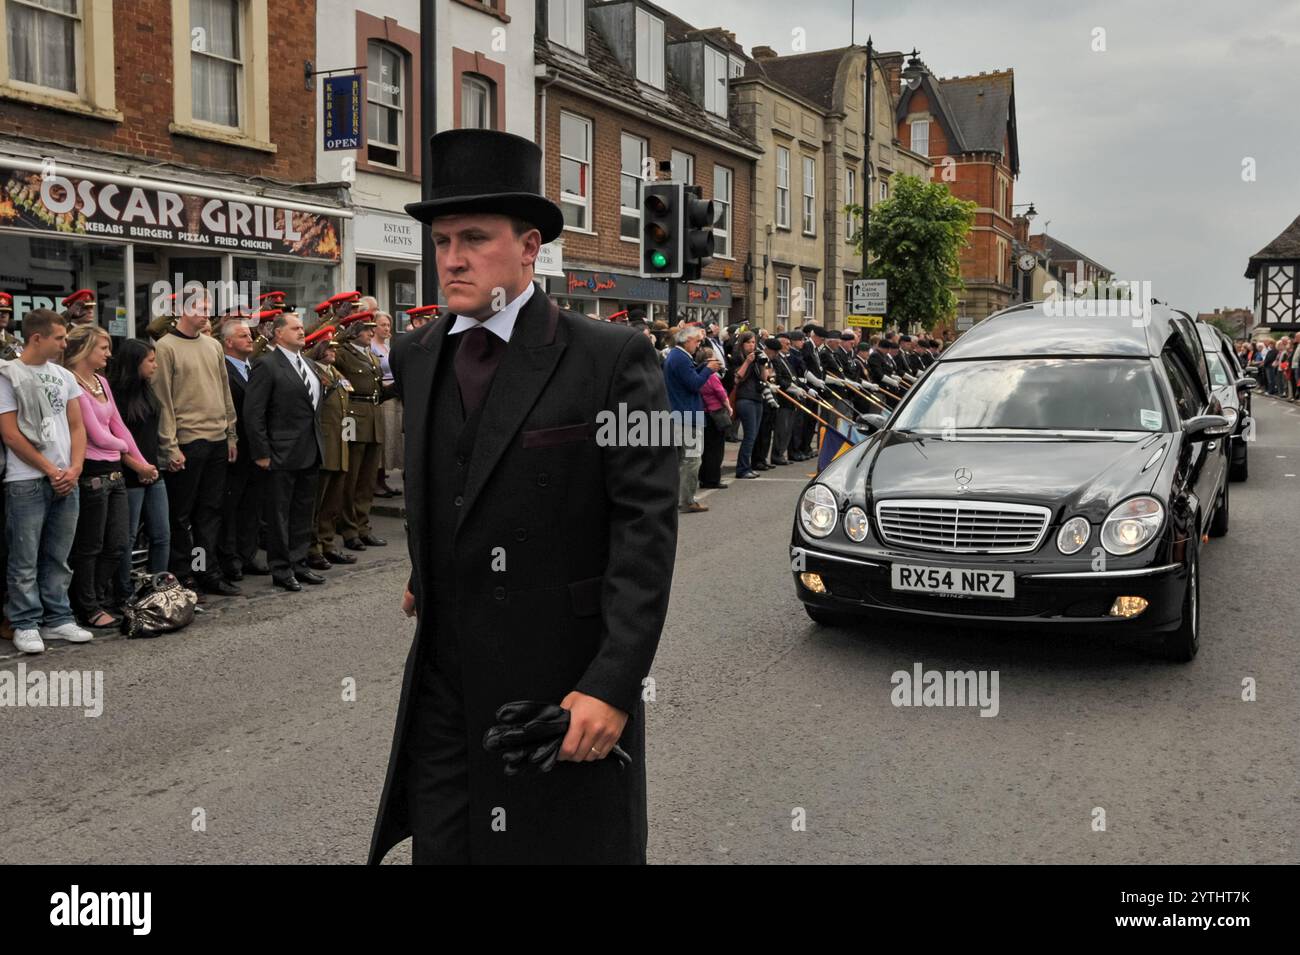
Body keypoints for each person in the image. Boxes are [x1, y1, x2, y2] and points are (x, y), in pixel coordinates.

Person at [369, 128, 677, 866]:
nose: (452, 258)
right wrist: (430, 565)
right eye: (442, 241)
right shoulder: (416, 354)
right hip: (446, 688)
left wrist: (613, 683)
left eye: (474, 238)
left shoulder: (616, 356)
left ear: (530, 246)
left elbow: (648, 526)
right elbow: (452, 482)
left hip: (559, 689)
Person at [0, 309, 91, 653]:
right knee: (24, 556)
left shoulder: (63, 376)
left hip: (67, 477)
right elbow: (10, 434)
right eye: (60, 337)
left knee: (58, 555)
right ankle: (24, 622)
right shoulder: (8, 375)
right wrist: (50, 469)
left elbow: (77, 426)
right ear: (37, 338)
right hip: (26, 479)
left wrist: (75, 467)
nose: (66, 343)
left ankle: (58, 618)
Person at [63, 324, 154, 628]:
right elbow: (97, 435)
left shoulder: (101, 381)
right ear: (86, 349)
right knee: (90, 544)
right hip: (91, 472)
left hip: (115, 472)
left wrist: (140, 462)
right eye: (103, 348)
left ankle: (97, 597)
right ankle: (86, 605)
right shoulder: (72, 383)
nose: (109, 353)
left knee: (116, 544)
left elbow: (119, 425)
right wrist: (123, 449)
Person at [152, 289, 241, 596]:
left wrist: (231, 433)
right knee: (181, 514)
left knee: (210, 511)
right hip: (187, 442)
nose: (205, 311)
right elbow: (162, 399)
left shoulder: (213, 345)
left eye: (207, 306)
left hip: (217, 439)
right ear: (179, 309)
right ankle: (183, 572)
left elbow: (224, 391)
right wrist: (170, 445)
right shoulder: (165, 347)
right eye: (199, 306)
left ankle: (206, 571)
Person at [243, 313, 325, 592]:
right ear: (278, 334)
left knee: (303, 511)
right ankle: (281, 568)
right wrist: (262, 452)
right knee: (279, 515)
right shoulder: (266, 365)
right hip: (280, 453)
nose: (302, 332)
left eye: (302, 327)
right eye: (296, 328)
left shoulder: (310, 364)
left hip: (310, 450)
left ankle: (299, 563)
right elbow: (254, 413)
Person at [106, 338, 171, 602]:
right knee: (127, 538)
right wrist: (137, 466)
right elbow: (113, 439)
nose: (155, 366)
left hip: (154, 472)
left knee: (161, 534)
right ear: (135, 363)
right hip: (130, 474)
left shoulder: (148, 389)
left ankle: (158, 589)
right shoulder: (115, 393)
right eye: (150, 360)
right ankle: (123, 593)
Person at [332, 312, 391, 550]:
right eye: (366, 329)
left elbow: (377, 389)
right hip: (353, 419)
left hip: (373, 416)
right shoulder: (343, 354)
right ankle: (348, 528)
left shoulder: (370, 355)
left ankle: (363, 525)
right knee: (351, 478)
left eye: (371, 328)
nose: (371, 333)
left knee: (366, 480)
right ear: (354, 331)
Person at [218, 316, 269, 580]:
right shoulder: (223, 369)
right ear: (228, 342)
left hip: (257, 447)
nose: (250, 338)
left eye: (250, 335)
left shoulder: (255, 367)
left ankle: (248, 554)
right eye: (243, 336)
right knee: (231, 504)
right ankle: (230, 557)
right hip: (235, 446)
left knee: (254, 503)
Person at [302, 333, 355, 570]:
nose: (334, 352)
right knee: (317, 501)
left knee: (332, 501)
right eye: (329, 348)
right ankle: (313, 549)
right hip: (323, 444)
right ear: (316, 348)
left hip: (340, 444)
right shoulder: (311, 371)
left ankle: (328, 544)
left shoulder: (336, 374)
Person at [662, 325, 716, 513]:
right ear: (686, 341)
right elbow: (694, 384)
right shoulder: (680, 358)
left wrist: (702, 366)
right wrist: (708, 370)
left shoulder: (677, 356)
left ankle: (679, 498)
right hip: (686, 414)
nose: (699, 345)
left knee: (682, 459)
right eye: (697, 341)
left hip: (679, 412)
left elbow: (688, 377)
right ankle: (687, 500)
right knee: (692, 459)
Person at [371, 312, 403, 498]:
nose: (386, 328)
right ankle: (375, 481)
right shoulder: (373, 347)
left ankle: (383, 479)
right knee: (382, 439)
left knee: (391, 439)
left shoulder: (386, 346)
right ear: (374, 326)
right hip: (384, 396)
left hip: (394, 395)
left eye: (388, 325)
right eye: (382, 324)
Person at [732, 331, 766, 479]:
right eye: (749, 342)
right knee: (749, 436)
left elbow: (764, 378)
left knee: (754, 435)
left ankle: (747, 466)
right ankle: (742, 468)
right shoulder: (737, 357)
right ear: (742, 344)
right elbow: (737, 378)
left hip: (757, 398)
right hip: (745, 399)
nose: (752, 345)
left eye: (754, 342)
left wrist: (763, 364)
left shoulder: (757, 358)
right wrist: (747, 361)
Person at [696, 344, 730, 489]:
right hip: (715, 413)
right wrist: (728, 406)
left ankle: (703, 477)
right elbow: (721, 393)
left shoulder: (697, 373)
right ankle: (713, 479)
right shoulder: (711, 375)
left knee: (705, 449)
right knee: (716, 449)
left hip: (703, 412)